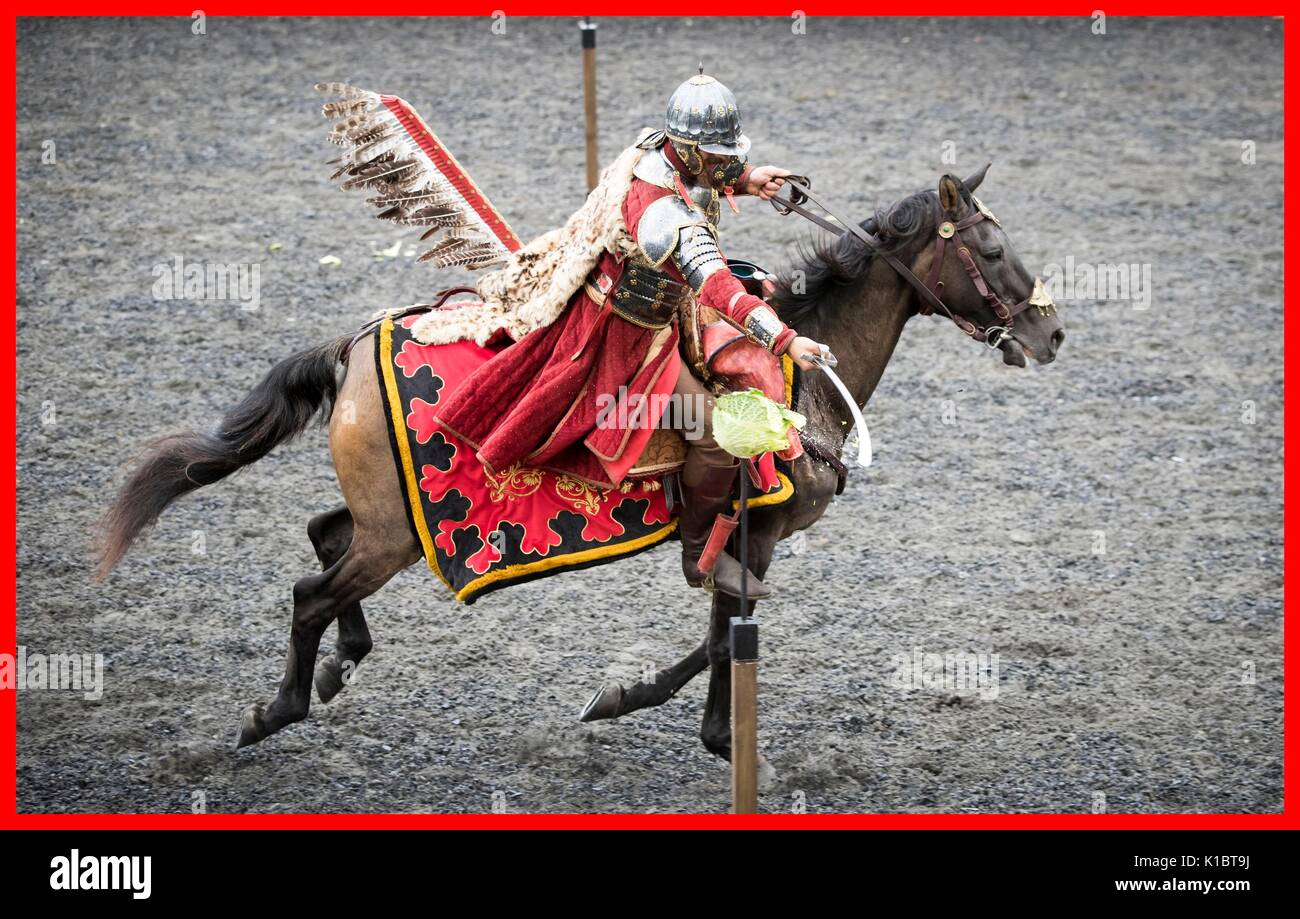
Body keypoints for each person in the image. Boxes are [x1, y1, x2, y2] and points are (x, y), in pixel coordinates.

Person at [434, 71, 828, 599]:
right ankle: (699, 556)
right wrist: (785, 341)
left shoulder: (655, 149)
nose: (721, 164)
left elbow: (703, 178)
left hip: (662, 313)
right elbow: (716, 286)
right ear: (688, 150)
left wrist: (748, 180)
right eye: (715, 156)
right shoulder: (663, 213)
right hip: (630, 338)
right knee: (716, 437)